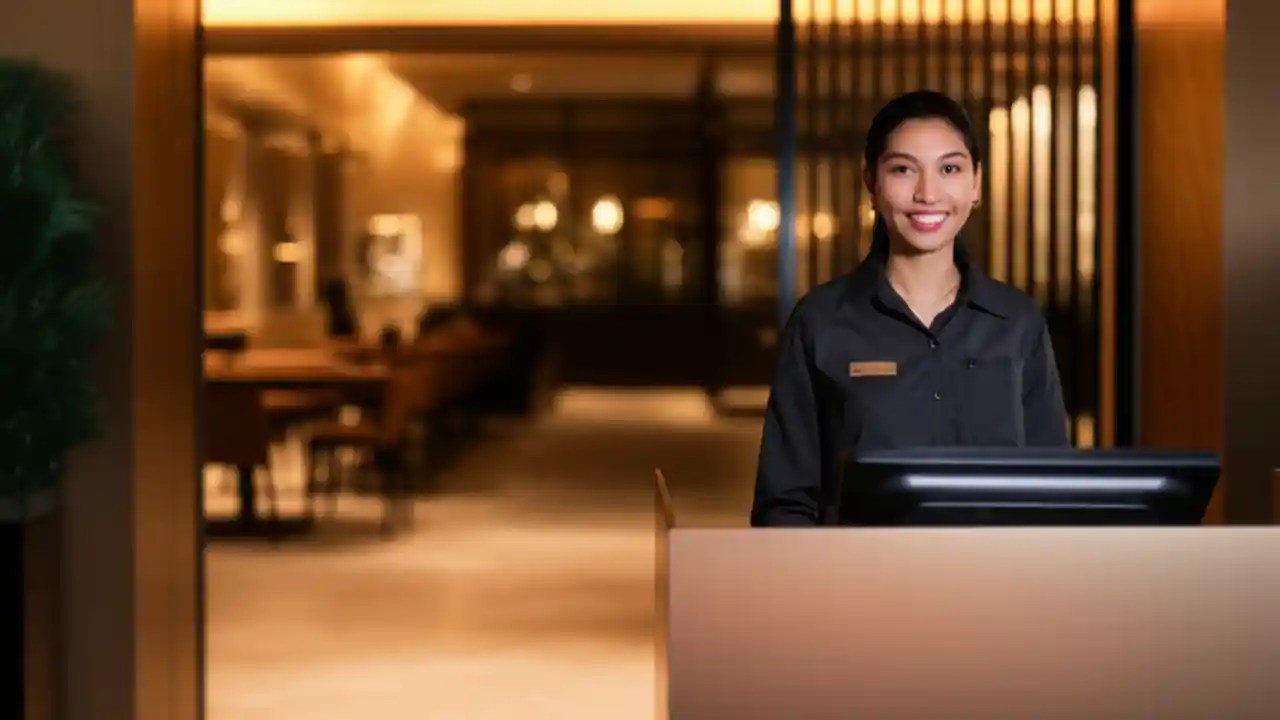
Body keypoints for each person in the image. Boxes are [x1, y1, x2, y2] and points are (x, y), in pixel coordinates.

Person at [751, 90, 1070, 527]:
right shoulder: (821, 321)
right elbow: (784, 502)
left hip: (996, 585)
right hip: (859, 585)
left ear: (976, 183)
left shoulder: (1017, 322)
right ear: (872, 184)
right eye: (903, 169)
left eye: (950, 169)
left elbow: (1054, 490)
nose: (928, 193)